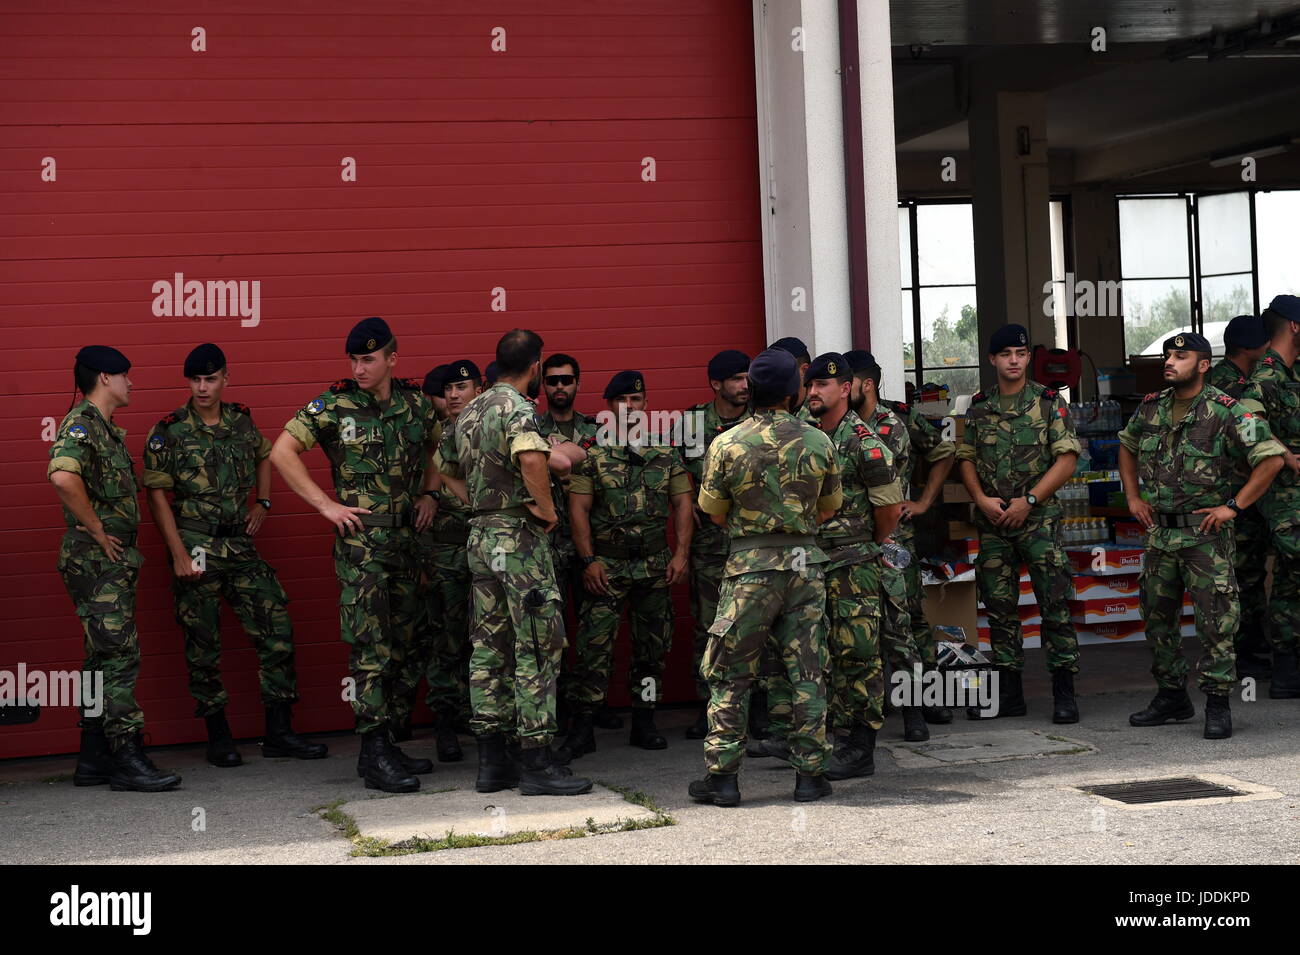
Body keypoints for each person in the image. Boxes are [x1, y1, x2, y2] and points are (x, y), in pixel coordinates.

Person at [271, 317, 438, 793]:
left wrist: (430, 494)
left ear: (392, 358)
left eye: (368, 359)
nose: (359, 368)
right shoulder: (333, 405)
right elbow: (282, 452)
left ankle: (388, 739)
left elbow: (435, 449)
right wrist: (325, 504)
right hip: (363, 547)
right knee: (371, 649)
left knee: (406, 645)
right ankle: (373, 752)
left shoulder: (414, 406)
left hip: (407, 544)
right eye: (354, 360)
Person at [142, 343, 325, 768]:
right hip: (197, 545)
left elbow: (265, 455)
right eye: (195, 380)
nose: (202, 387)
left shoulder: (241, 421)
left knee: (275, 627)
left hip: (239, 546)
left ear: (226, 378)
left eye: (210, 379)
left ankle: (279, 731)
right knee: (202, 643)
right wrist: (178, 554)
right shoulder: (169, 431)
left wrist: (262, 502)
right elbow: (156, 496)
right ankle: (218, 735)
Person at [439, 328, 592, 796]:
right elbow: (531, 458)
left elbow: (443, 467)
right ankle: (537, 762)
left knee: (488, 646)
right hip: (518, 540)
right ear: (535, 368)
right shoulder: (516, 407)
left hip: (482, 537)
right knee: (538, 645)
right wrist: (544, 511)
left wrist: (481, 506)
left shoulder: (471, 410)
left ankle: (492, 763)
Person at [689, 348, 841, 807]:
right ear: (795, 392)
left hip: (749, 570)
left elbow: (711, 512)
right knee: (808, 671)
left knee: (731, 673)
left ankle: (724, 780)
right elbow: (831, 508)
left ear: (751, 390)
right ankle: (810, 777)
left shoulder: (727, 443)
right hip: (805, 566)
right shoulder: (819, 441)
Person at [1121, 332, 1285, 739]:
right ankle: (1172, 696)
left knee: (1216, 622)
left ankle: (1217, 703)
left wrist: (1234, 506)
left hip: (1205, 538)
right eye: (1168, 355)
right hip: (1160, 534)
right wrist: (1132, 497)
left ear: (1204, 365)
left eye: (1181, 355)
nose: (1170, 361)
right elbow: (1126, 445)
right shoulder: (1152, 407)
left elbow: (1270, 460)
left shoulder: (1227, 410)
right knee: (1158, 619)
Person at [48, 345, 181, 792]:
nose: (131, 382)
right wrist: (99, 530)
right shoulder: (83, 425)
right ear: (105, 378)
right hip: (96, 561)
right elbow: (63, 476)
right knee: (120, 656)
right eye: (125, 375)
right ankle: (126, 758)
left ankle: (92, 757)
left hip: (106, 565)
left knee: (99, 658)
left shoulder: (103, 428)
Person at [556, 371, 693, 761]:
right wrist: (588, 561)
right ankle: (583, 728)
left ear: (646, 405)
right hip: (607, 566)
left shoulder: (664, 452)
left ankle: (645, 722)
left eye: (636, 401)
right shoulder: (592, 453)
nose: (630, 408)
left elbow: (683, 502)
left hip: (653, 565)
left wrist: (681, 554)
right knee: (593, 648)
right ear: (609, 407)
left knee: (652, 649)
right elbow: (578, 510)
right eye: (621, 401)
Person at [956, 324, 1081, 722]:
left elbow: (1067, 459)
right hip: (994, 524)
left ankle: (1065, 693)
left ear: (1029, 358)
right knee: (999, 609)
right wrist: (979, 498)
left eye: (1021, 354)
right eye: (1006, 353)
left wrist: (1029, 501)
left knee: (1055, 605)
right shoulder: (978, 407)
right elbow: (966, 456)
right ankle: (1009, 694)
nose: (1014, 360)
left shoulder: (1048, 404)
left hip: (1038, 522)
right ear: (992, 359)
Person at [846, 348, 957, 738]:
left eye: (849, 382)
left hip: (893, 538)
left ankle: (924, 703)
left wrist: (924, 501)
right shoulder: (836, 424)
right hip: (855, 540)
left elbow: (945, 451)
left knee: (906, 619)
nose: (842, 389)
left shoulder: (896, 421)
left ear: (867, 383)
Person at [805, 353, 903, 779]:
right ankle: (814, 737)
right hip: (810, 562)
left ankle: (858, 747)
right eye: (809, 385)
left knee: (857, 653)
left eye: (822, 385)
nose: (813, 392)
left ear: (846, 389)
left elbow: (890, 509)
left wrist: (863, 544)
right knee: (813, 652)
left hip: (853, 565)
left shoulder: (865, 443)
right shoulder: (804, 436)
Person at [402, 360, 483, 762]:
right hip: (444, 554)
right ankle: (445, 726)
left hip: (487, 552)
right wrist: (421, 560)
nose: (453, 395)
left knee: (486, 641)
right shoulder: (429, 438)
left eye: (462, 387)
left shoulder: (490, 432)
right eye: (447, 389)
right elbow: (413, 502)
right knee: (445, 643)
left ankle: (482, 720)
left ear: (478, 390)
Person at [681, 350, 750, 738]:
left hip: (751, 544)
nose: (744, 386)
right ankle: (708, 709)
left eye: (748, 378)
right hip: (709, 547)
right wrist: (684, 498)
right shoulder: (691, 423)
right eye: (737, 378)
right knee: (708, 630)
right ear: (716, 385)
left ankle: (755, 710)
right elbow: (671, 469)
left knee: (756, 629)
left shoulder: (761, 420)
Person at [535, 353, 604, 732]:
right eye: (552, 381)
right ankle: (557, 709)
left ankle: (589, 706)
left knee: (594, 632)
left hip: (592, 546)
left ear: (578, 383)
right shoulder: (530, 428)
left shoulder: (596, 429)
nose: (559, 387)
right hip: (548, 549)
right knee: (553, 632)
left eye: (566, 380)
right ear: (543, 385)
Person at [1241, 294, 1300, 699]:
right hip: (1285, 499)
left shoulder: (1291, 375)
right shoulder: (1266, 376)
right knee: (1292, 580)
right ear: (1294, 326)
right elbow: (1244, 422)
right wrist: (1282, 453)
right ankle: (1287, 672)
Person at [1208, 315, 1274, 677]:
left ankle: (1254, 641)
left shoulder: (1236, 378)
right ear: (1251, 347)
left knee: (1247, 569)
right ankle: (1243, 650)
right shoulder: (1228, 385)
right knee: (1242, 571)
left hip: (1242, 490)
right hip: (1232, 490)